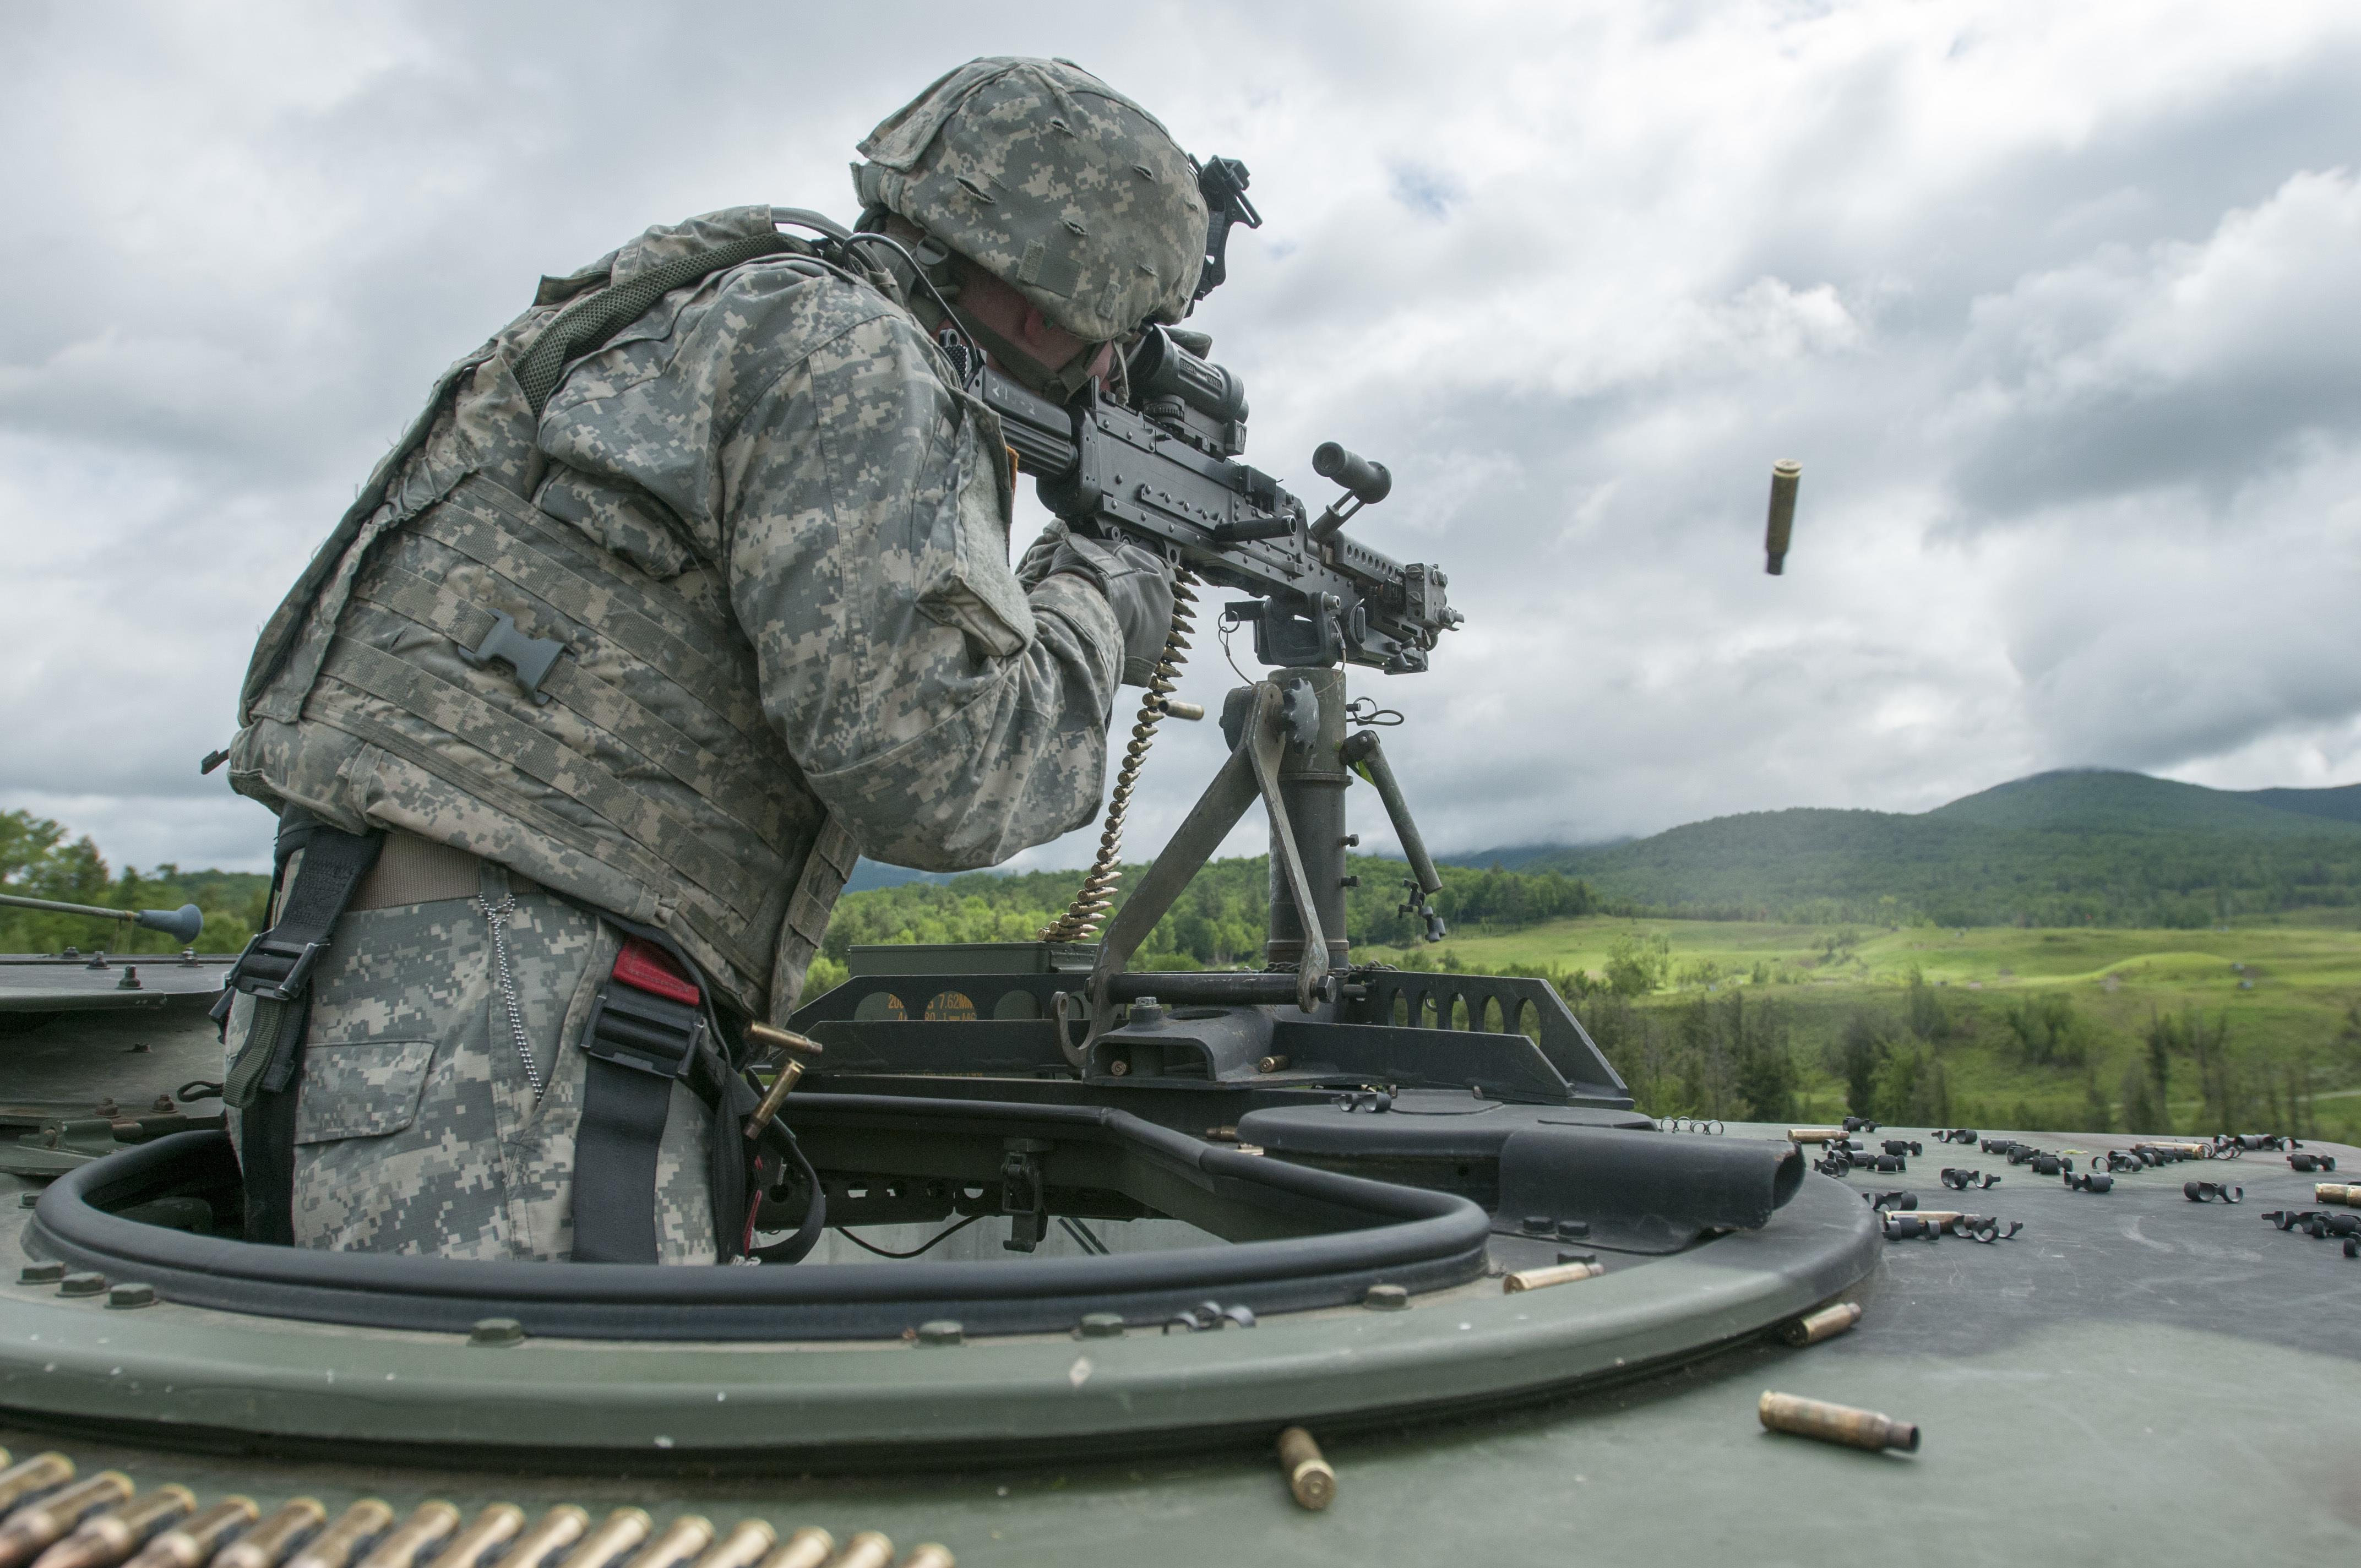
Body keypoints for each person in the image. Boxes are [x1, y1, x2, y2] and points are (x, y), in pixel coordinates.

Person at [214, 57, 1205, 1265]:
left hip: (390, 983)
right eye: (1122, 335)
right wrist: (1101, 595)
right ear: (1061, 296)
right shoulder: (857, 355)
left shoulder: (720, 299)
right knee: (557, 1434)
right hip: (519, 1023)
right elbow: (942, 773)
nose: (1111, 370)